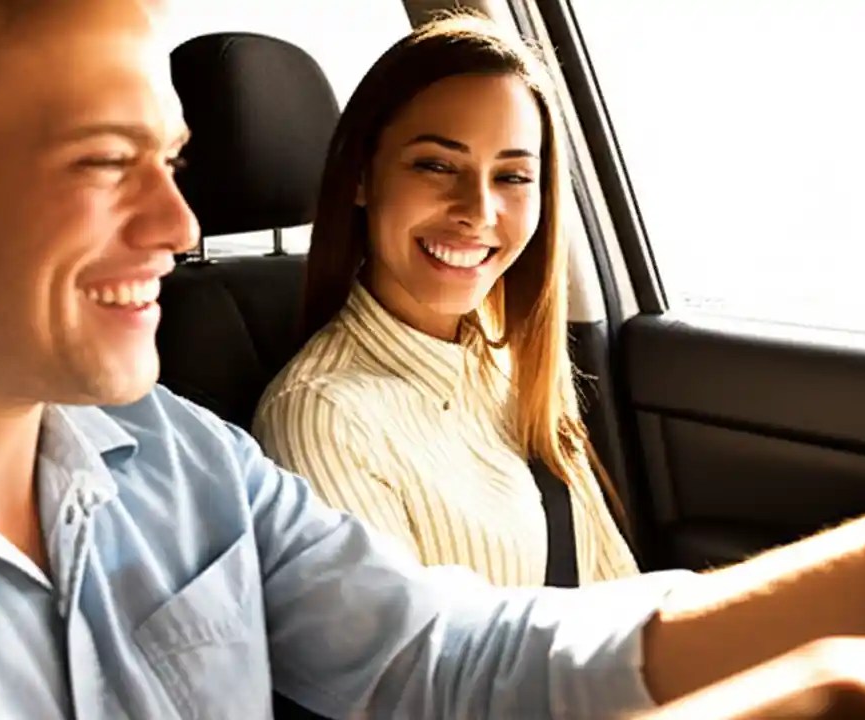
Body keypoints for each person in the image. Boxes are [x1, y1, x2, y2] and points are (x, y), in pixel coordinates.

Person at [0, 2, 865, 718]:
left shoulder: (188, 463)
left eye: (172, 161)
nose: (178, 228)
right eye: (100, 162)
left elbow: (448, 657)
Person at [254, 14, 636, 586]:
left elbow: (615, 590)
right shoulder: (325, 418)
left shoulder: (514, 363)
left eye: (512, 177)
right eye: (436, 165)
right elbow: (406, 672)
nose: (479, 211)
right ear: (361, 176)